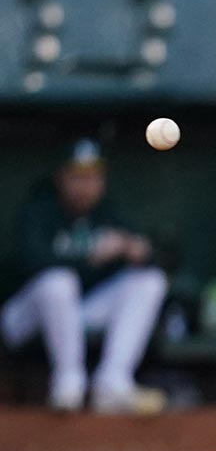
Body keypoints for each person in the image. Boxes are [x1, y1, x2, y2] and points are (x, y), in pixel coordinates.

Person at [1, 139, 168, 414]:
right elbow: (31, 263)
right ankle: (68, 383)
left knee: (149, 281)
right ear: (61, 178)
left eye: (93, 178)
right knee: (57, 282)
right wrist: (90, 257)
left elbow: (156, 255)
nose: (86, 186)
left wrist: (133, 248)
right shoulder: (38, 210)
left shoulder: (107, 212)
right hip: (25, 317)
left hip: (78, 314)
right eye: (78, 177)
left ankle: (113, 381)